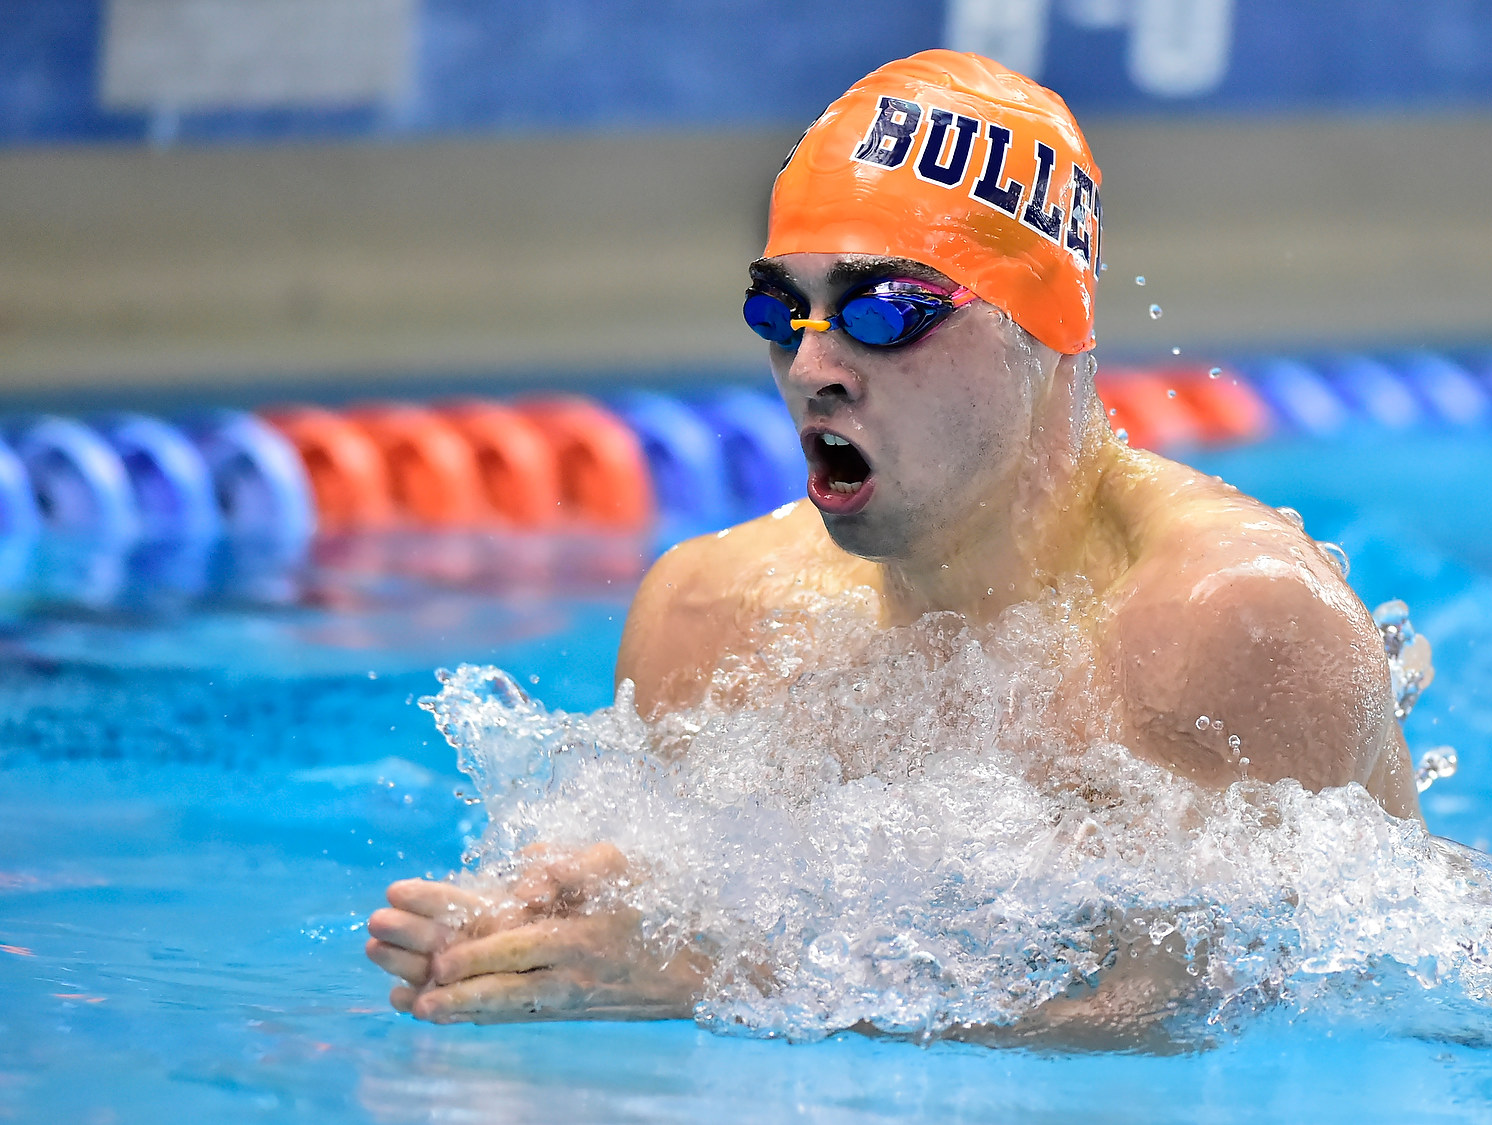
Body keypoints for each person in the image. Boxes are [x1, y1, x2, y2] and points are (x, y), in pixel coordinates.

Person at [364, 49, 1423, 1034]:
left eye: (884, 312)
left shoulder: (1224, 619)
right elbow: (658, 932)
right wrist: (542, 932)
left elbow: (1174, 1004)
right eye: (780, 312)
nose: (812, 364)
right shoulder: (707, 614)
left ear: (1039, 325)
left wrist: (713, 972)